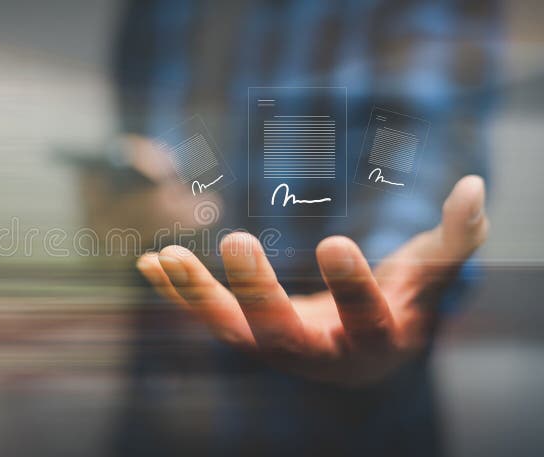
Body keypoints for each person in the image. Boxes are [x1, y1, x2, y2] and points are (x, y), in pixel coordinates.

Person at [103, 1, 502, 455]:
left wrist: (384, 274)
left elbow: (417, 125)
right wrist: (131, 197)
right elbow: (163, 126)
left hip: (351, 428)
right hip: (166, 410)